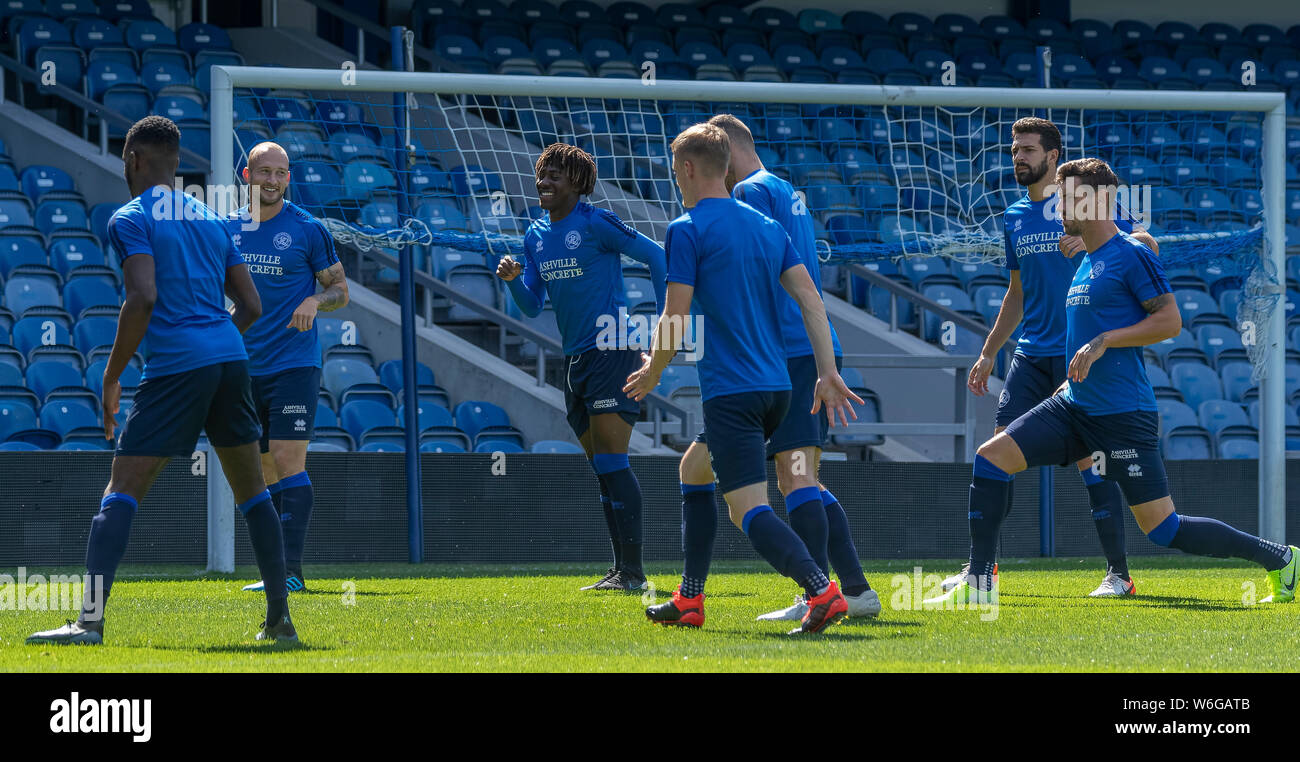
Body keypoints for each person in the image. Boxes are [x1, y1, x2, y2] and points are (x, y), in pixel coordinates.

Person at [928, 157, 1297, 608]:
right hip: (1073, 406)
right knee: (991, 458)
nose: (1059, 203)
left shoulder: (1129, 254)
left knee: (1164, 530)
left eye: (1066, 196)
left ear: (1094, 200)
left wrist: (1105, 341)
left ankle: (1279, 557)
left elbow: (1169, 321)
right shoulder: (1086, 257)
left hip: (1122, 415)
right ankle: (980, 582)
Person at [26, 116, 299, 645]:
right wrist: (217, 335)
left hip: (176, 367)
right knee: (253, 492)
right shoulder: (211, 219)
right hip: (230, 360)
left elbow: (143, 297)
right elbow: (252, 305)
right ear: (175, 166)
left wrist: (111, 376)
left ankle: (88, 621)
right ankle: (279, 621)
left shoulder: (129, 217)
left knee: (122, 488)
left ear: (132, 159)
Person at [626, 123, 862, 634]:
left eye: (674, 172)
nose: (675, 181)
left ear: (689, 169)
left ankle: (823, 591)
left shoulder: (686, 228)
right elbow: (811, 301)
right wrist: (827, 372)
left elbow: (675, 315)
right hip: (778, 386)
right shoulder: (766, 226)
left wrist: (654, 369)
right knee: (694, 469)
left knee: (747, 510)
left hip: (732, 391)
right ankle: (690, 599)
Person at [944, 117, 1161, 600]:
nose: (1018, 156)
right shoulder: (1015, 215)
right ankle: (982, 572)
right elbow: (1016, 293)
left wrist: (1089, 240)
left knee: (1095, 464)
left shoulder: (1085, 205)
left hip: (1078, 359)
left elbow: (1146, 244)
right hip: (1030, 354)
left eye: (1027, 149)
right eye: (1014, 149)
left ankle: (1117, 573)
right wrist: (987, 352)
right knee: (996, 451)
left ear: (1053, 155)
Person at [497, 143, 666, 591]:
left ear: (578, 182)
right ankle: (621, 571)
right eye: (541, 174)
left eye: (554, 175)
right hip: (574, 359)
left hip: (614, 348)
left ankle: (633, 573)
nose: (544, 182)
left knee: (613, 461)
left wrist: (666, 330)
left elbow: (657, 257)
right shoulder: (534, 234)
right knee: (603, 469)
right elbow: (532, 306)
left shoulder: (596, 222)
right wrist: (515, 282)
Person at [229, 142, 348, 595]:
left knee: (285, 458)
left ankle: (292, 572)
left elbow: (341, 289)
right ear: (247, 176)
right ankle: (274, 572)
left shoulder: (308, 229)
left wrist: (315, 300)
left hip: (294, 364)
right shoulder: (227, 230)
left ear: (289, 178)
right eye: (266, 172)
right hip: (243, 366)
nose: (274, 181)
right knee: (261, 469)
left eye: (282, 173)